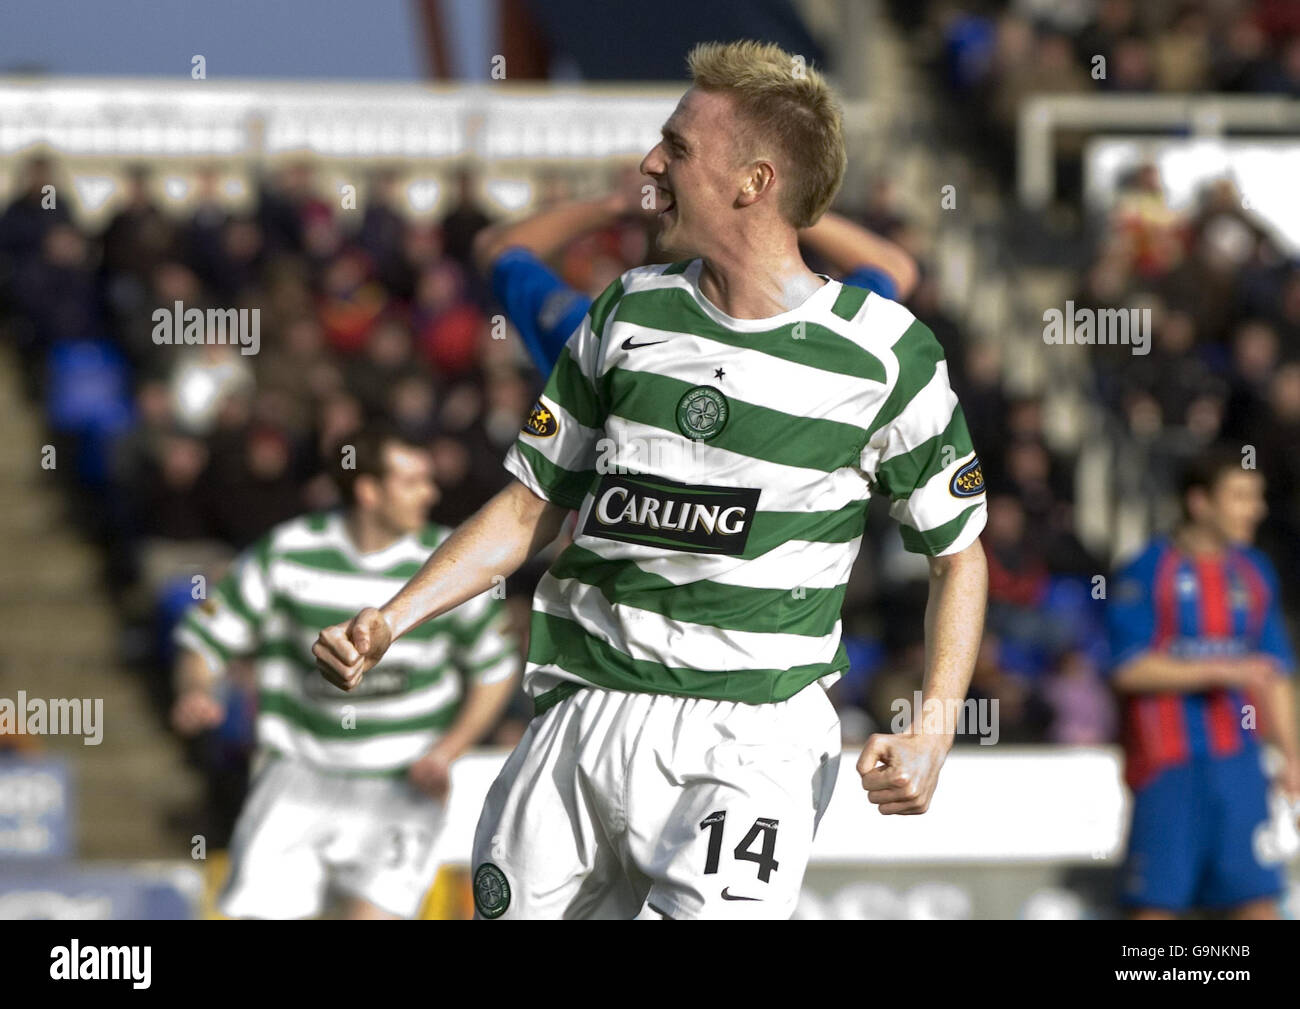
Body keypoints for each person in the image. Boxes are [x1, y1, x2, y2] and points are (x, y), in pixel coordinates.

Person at [315, 39, 988, 920]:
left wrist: (934, 730)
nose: (650, 164)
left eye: (676, 147)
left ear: (752, 182)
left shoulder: (886, 353)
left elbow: (958, 556)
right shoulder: (628, 309)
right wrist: (391, 618)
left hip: (751, 737)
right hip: (583, 716)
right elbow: (529, 505)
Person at [172, 425, 518, 919]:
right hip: (296, 777)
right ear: (368, 489)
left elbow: (495, 668)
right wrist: (196, 688)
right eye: (413, 480)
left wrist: (447, 751)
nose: (431, 492)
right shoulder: (287, 552)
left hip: (400, 786)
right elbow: (206, 637)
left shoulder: (450, 564)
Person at [472, 171, 921, 377]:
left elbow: (497, 249)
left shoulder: (598, 332)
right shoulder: (807, 331)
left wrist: (614, 206)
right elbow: (895, 268)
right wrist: (779, 210)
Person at [1107, 446, 1300, 919]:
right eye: (1240, 496)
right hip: (1168, 764)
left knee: (1258, 902)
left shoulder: (1254, 572)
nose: (1255, 509)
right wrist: (1222, 670)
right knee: (1155, 907)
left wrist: (1293, 758)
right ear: (1200, 502)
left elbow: (1273, 673)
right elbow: (1128, 668)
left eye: (1256, 497)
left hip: (1240, 766)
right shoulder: (1148, 569)